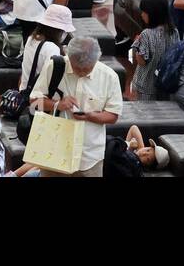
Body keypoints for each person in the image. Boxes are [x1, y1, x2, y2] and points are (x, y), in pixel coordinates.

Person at [28, 36, 122, 177]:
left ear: (97, 60)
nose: (82, 72)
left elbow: (113, 115)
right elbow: (34, 103)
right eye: (77, 68)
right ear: (68, 56)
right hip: (53, 151)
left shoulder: (109, 77)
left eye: (87, 69)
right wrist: (58, 104)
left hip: (89, 157)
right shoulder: (54, 67)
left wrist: (91, 116)